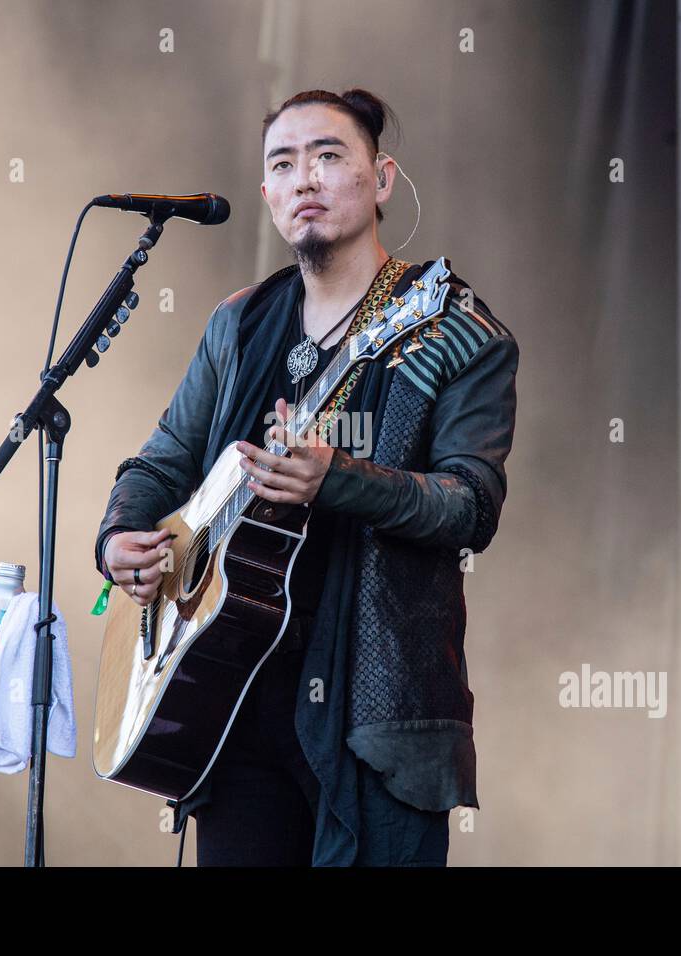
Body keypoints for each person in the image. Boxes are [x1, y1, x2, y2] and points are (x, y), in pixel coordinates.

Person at [96, 88, 519, 866]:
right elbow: (160, 462)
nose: (305, 179)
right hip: (229, 706)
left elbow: (472, 507)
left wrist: (337, 480)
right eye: (283, 165)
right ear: (266, 196)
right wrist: (120, 535)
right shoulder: (238, 322)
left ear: (382, 179)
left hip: (379, 724)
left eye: (329, 156)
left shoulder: (450, 327)